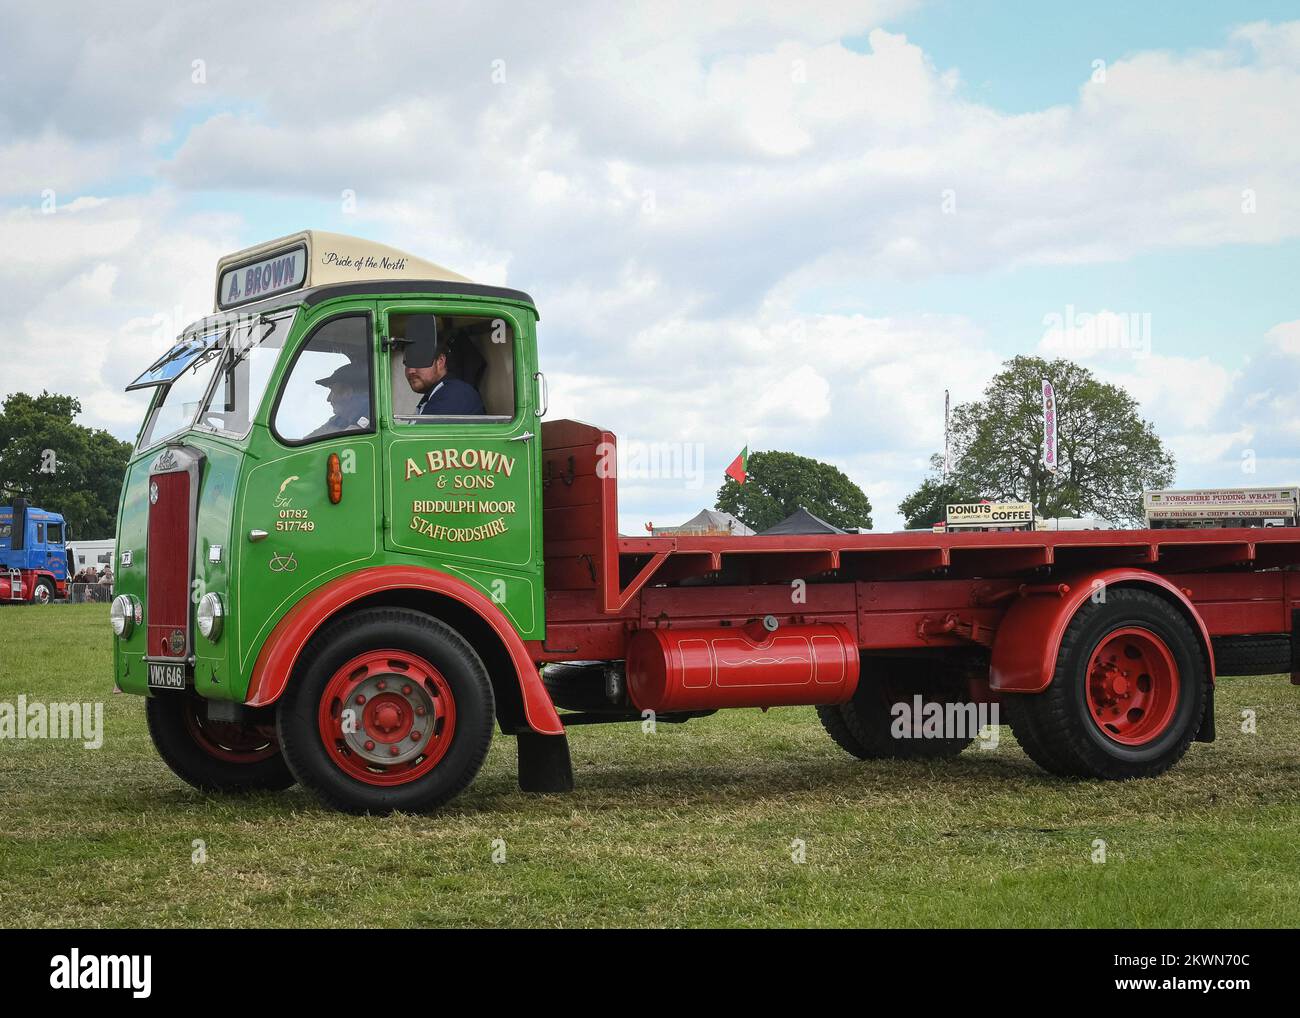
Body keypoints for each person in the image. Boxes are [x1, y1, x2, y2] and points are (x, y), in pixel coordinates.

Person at [405, 333, 485, 416]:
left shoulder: (455, 394)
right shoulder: (435, 394)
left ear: (440, 361)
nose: (410, 371)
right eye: (407, 363)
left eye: (419, 362)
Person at [306, 360, 371, 439]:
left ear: (347, 393)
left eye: (332, 391)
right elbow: (308, 440)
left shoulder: (370, 421)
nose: (328, 399)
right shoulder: (338, 420)